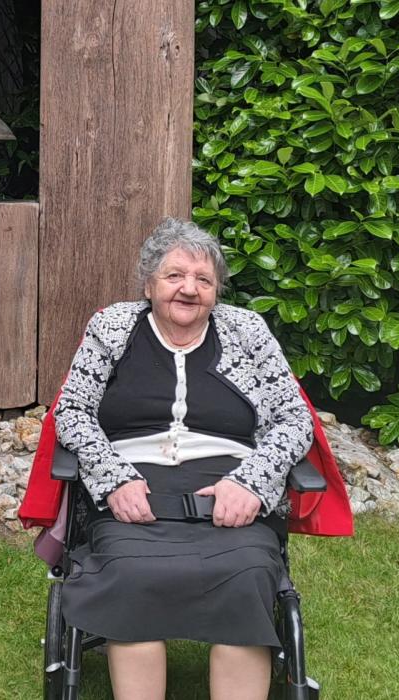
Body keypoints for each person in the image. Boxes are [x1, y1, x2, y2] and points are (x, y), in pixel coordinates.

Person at [53, 217, 313, 700]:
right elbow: (72, 411)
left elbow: (296, 420)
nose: (188, 289)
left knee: (247, 576)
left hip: (229, 491)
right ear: (149, 282)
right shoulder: (113, 327)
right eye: (175, 276)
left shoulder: (247, 331)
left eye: (204, 280)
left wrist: (252, 483)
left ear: (217, 291)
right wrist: (112, 480)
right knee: (132, 574)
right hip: (133, 491)